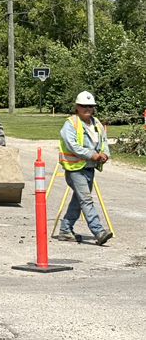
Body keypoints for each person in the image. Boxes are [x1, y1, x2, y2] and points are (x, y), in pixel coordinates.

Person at [56, 90, 112, 245]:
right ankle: (98, 231)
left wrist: (104, 154)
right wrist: (90, 154)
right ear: (77, 107)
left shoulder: (96, 123)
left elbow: (104, 142)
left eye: (90, 106)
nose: (88, 109)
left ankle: (65, 230)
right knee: (86, 200)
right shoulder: (71, 124)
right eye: (84, 106)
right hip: (75, 169)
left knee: (79, 200)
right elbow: (72, 145)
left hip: (89, 168)